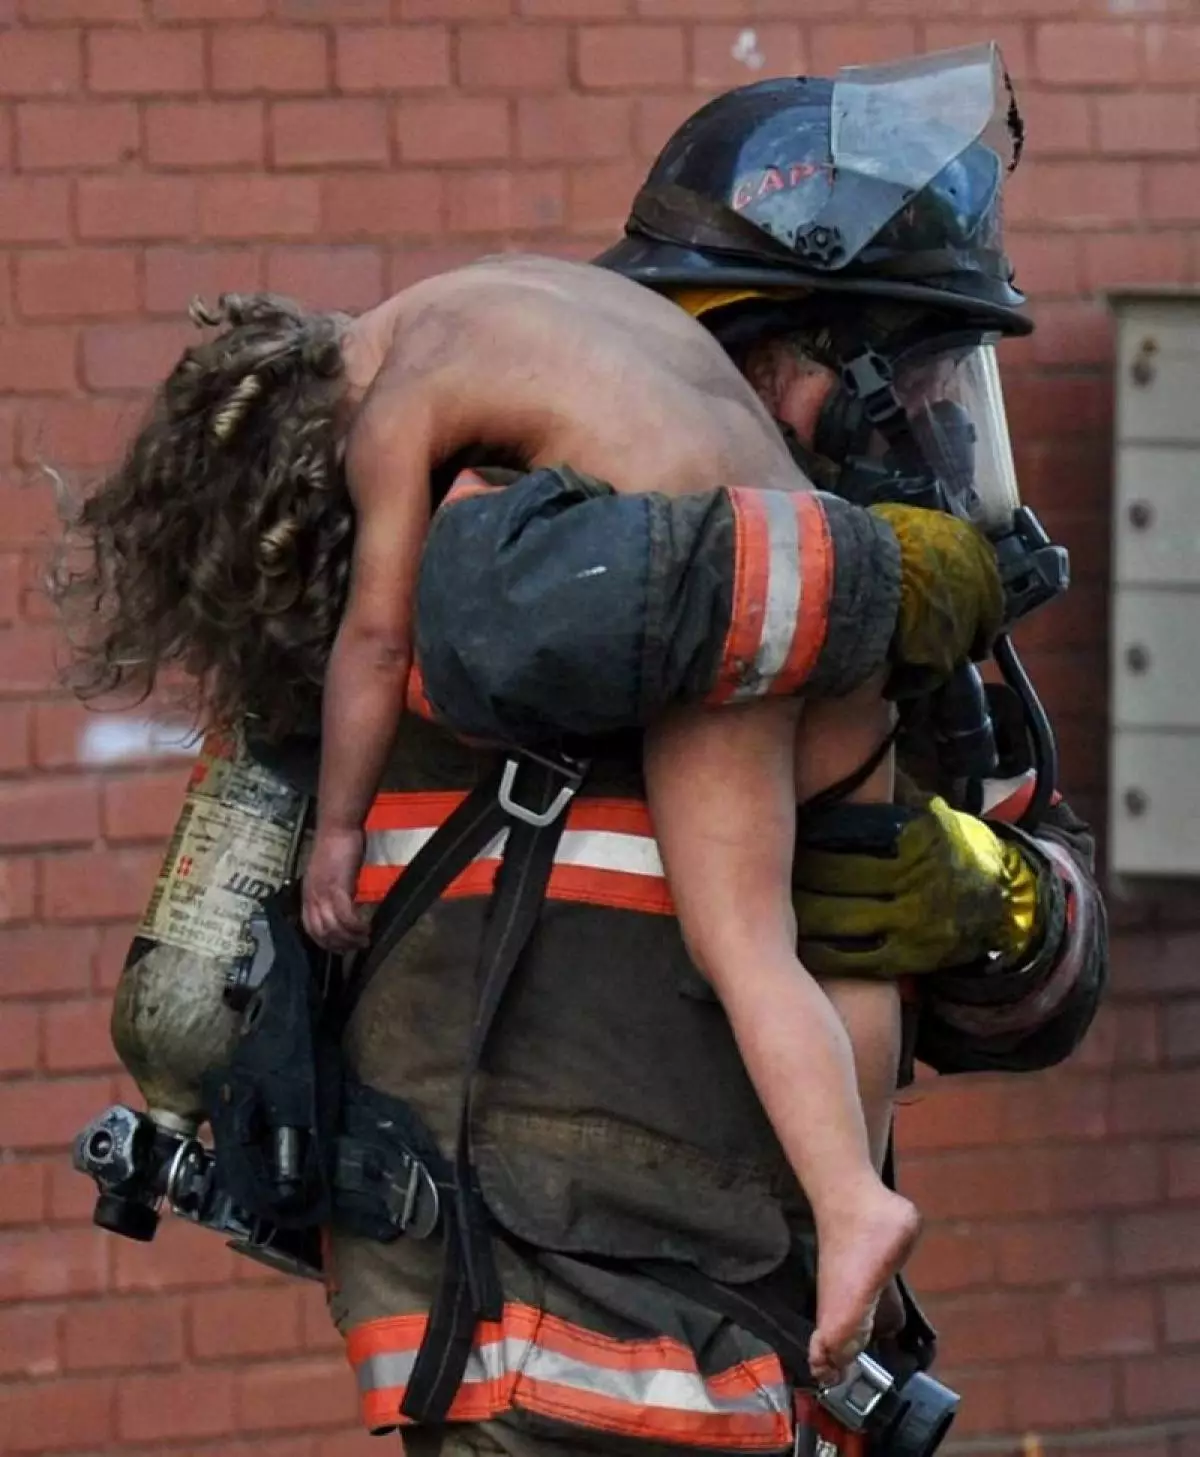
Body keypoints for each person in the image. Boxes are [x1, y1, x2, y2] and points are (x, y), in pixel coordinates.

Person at [57, 45, 1105, 1457]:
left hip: (765, 1356)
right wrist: (856, 577)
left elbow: (1031, 953)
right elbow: (502, 620)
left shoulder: (856, 626)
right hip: (548, 1343)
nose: (932, 429)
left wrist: (1004, 905)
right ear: (788, 360)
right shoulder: (506, 526)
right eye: (916, 379)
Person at [284, 251, 919, 1377]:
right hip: (825, 551)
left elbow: (377, 641)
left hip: (709, 568)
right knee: (791, 940)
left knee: (731, 936)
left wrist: (338, 830)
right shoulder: (536, 292)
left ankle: (849, 1207)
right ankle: (851, 1197)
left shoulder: (391, 399)